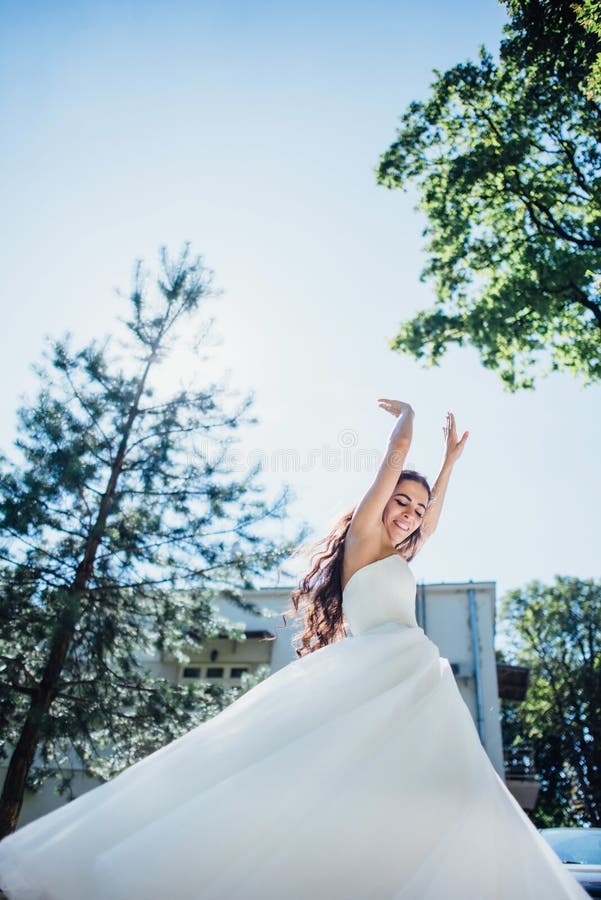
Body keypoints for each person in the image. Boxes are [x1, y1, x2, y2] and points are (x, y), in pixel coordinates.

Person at [0, 400, 588, 900]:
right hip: (380, 669)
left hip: (411, 675)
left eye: (416, 508)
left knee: (433, 790)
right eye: (401, 502)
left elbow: (431, 526)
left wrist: (450, 464)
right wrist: (407, 420)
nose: (410, 515)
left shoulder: (405, 548)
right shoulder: (364, 538)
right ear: (380, 505)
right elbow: (393, 458)